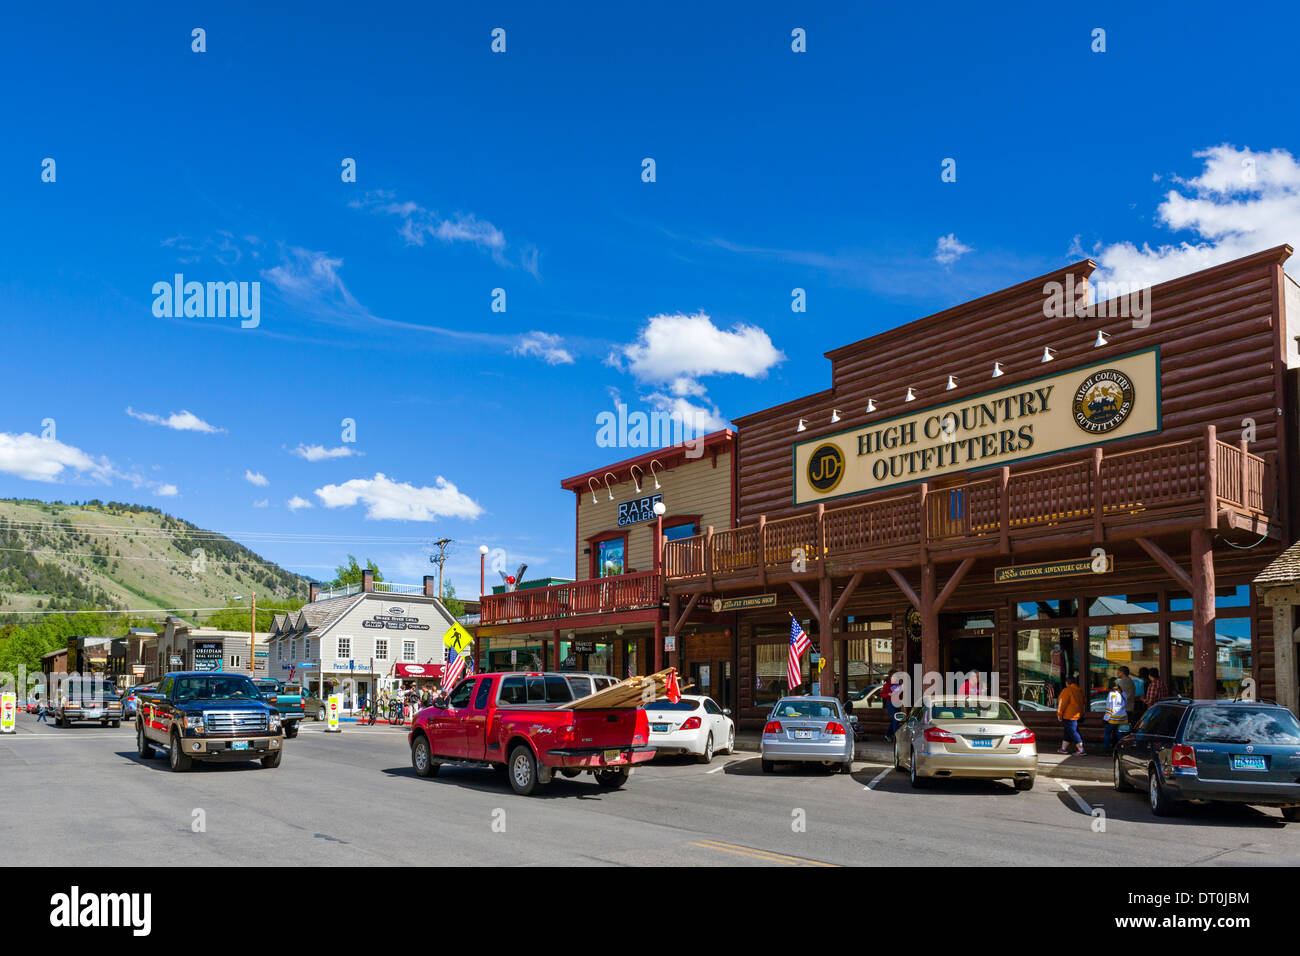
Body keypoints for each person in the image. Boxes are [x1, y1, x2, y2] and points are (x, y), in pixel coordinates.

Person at [1055, 674, 1084, 755]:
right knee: (1068, 732)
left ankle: (1081, 750)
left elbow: (1061, 703)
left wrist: (1059, 714)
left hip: (1069, 716)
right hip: (1077, 715)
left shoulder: (1067, 690)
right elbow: (1083, 702)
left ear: (1067, 683)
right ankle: (1063, 748)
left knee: (1073, 732)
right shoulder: (1079, 690)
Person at [1103, 677, 1129, 752]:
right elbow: (1125, 705)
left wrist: (1106, 718)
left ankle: (1107, 749)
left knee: (1107, 733)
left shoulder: (1111, 694)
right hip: (1123, 718)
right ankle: (1121, 750)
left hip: (1112, 719)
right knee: (1120, 735)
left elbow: (1109, 707)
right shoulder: (1123, 693)